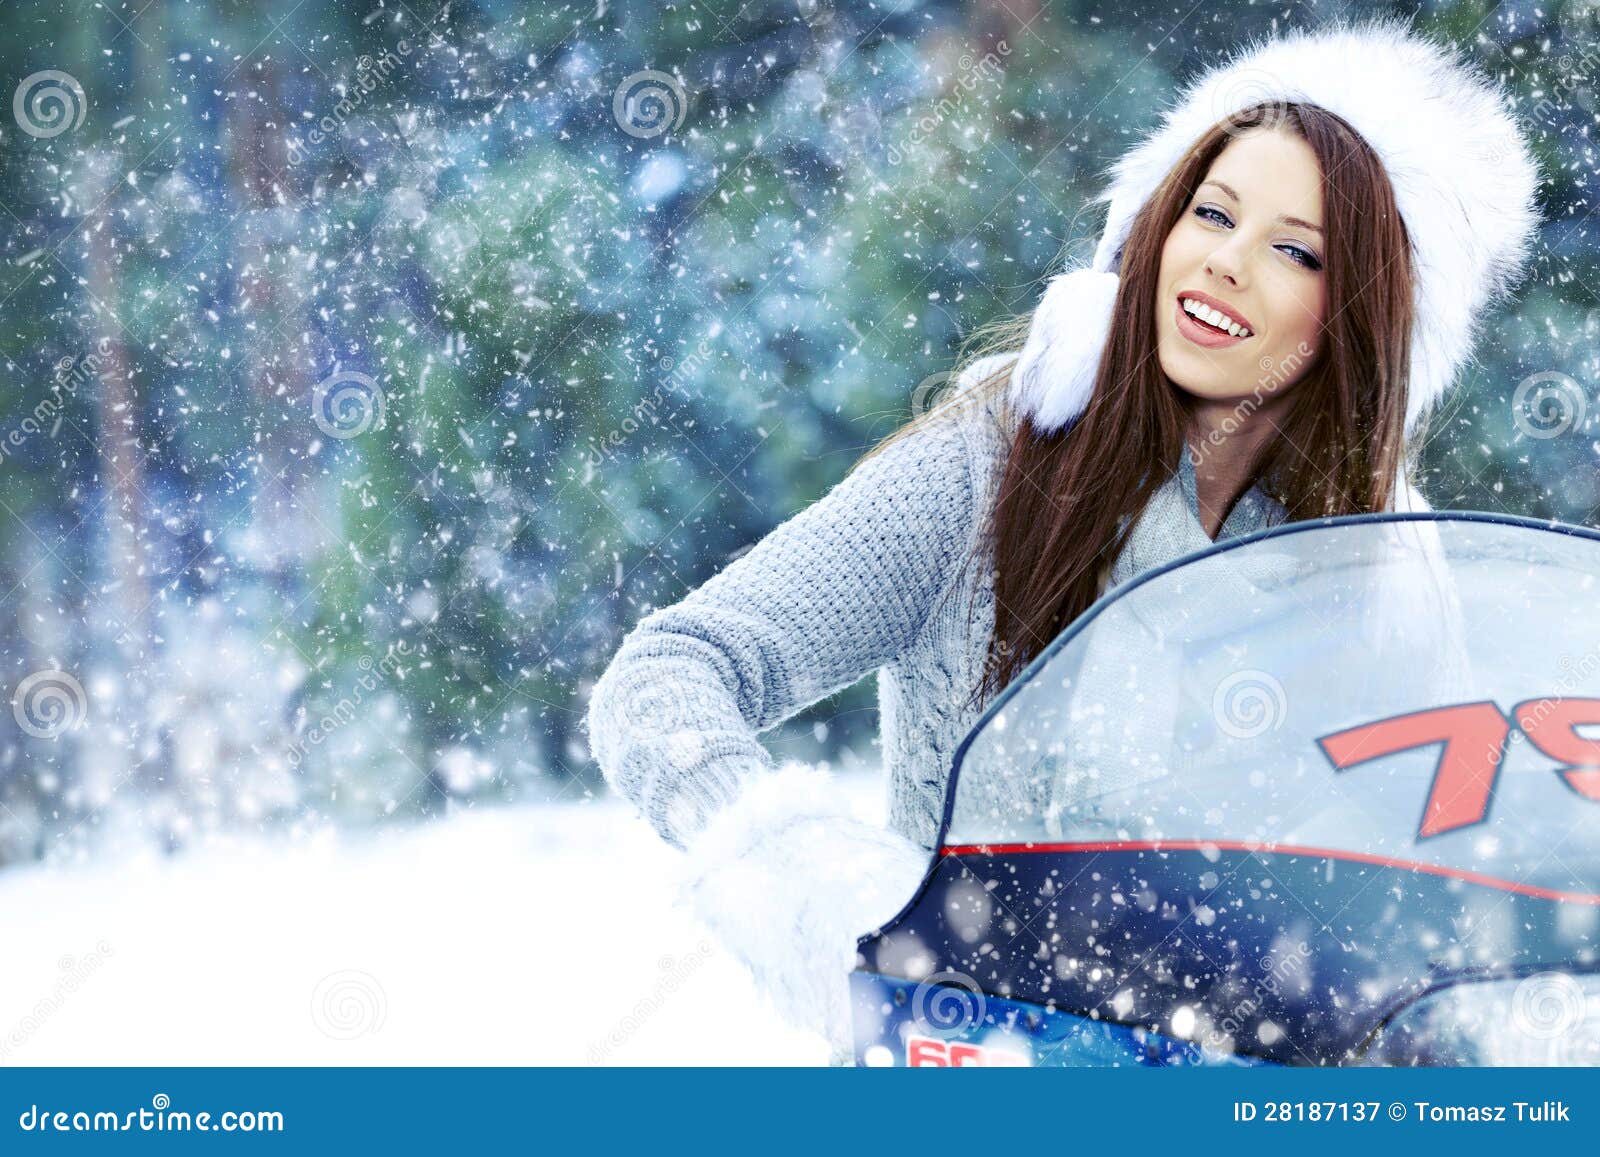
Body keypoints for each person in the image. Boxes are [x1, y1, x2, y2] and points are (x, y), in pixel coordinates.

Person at [584, 14, 1543, 1063]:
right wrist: (801, 874)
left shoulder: (1381, 554)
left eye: (1292, 249)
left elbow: (1427, 864)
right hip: (973, 1070)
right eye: (1210, 212)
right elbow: (672, 670)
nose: (1225, 262)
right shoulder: (994, 466)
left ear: (1361, 314)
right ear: (1150, 228)